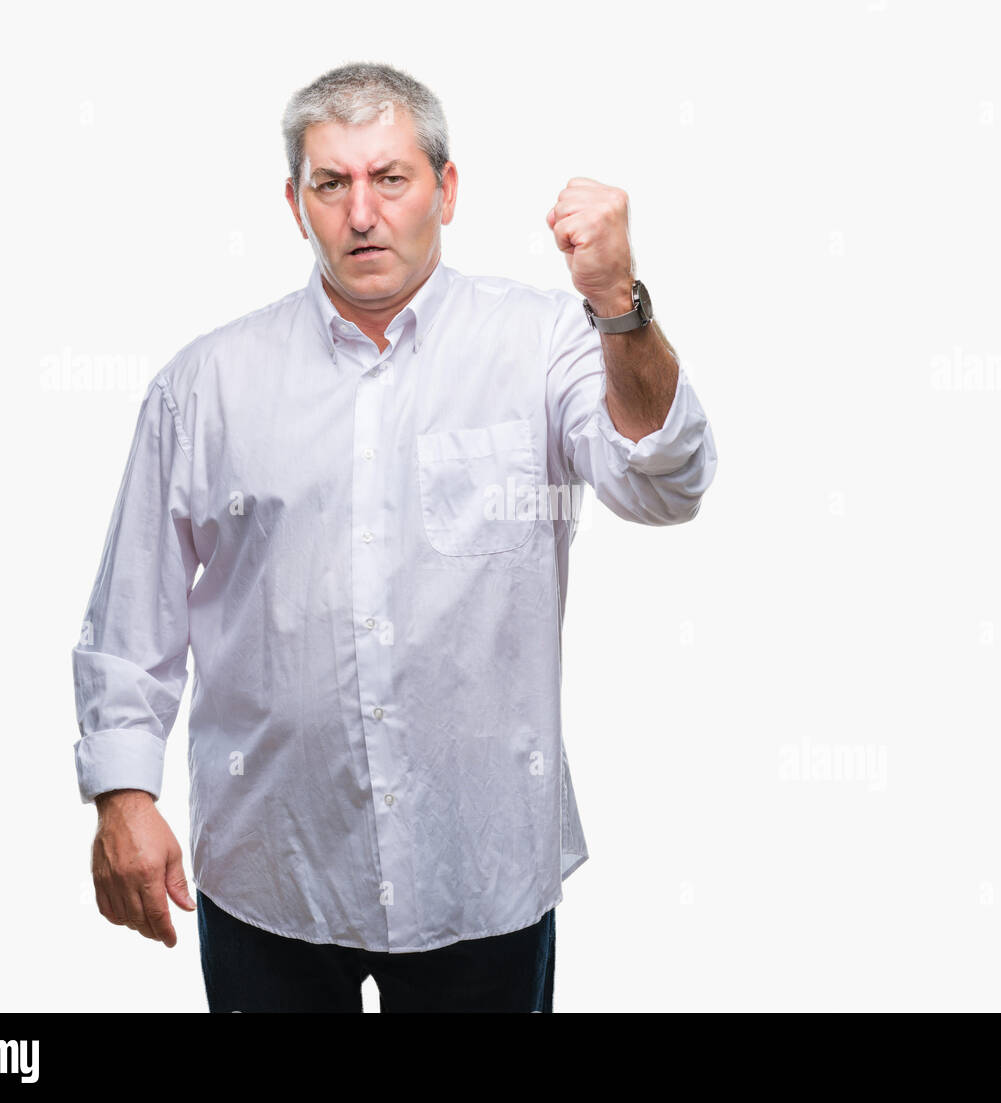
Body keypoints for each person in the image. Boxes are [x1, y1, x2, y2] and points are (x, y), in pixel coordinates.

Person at [71, 61, 718, 1013]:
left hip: (480, 872)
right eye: (331, 183)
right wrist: (123, 796)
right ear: (296, 204)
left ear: (446, 191)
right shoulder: (206, 384)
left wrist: (620, 301)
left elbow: (668, 480)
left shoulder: (544, 343)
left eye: (392, 178)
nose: (362, 212)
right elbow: (132, 615)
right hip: (271, 870)